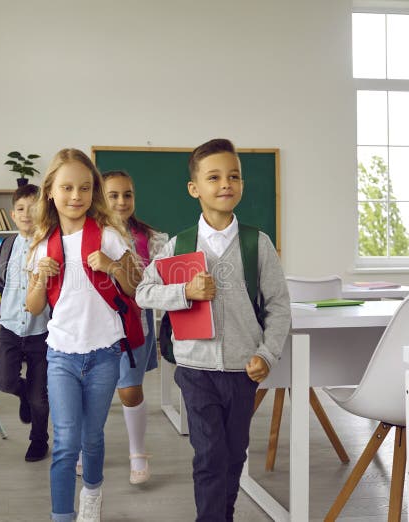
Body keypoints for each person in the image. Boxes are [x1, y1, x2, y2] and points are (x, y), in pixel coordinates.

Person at [135, 138, 291, 521]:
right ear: (195, 189)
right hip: (195, 369)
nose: (226, 184)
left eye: (234, 176)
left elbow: (279, 307)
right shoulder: (178, 245)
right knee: (209, 455)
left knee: (234, 454)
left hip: (243, 370)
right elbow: (144, 292)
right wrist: (184, 291)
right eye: (215, 177)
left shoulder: (258, 243)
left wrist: (266, 354)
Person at [25, 149, 142, 522]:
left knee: (92, 438)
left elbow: (134, 288)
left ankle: (92, 492)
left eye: (85, 188)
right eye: (67, 187)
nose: (76, 196)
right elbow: (33, 307)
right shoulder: (43, 245)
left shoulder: (107, 236)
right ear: (51, 193)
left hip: (104, 354)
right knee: (65, 444)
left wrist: (110, 267)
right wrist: (41, 278)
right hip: (61, 355)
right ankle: (62, 515)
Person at [101, 170, 168, 484]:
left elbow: (153, 282)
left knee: (129, 390)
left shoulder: (150, 238)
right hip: (95, 326)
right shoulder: (89, 233)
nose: (121, 201)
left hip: (133, 324)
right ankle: (87, 450)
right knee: (94, 392)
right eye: (113, 195)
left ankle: (138, 453)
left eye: (127, 194)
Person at [0, 184, 50, 462]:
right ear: (12, 214)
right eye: (21, 209)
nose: (27, 214)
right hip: (10, 327)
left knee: (40, 397)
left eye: (33, 208)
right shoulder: (5, 246)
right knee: (5, 382)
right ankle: (21, 394)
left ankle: (39, 440)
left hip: (41, 331)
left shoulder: (49, 246)